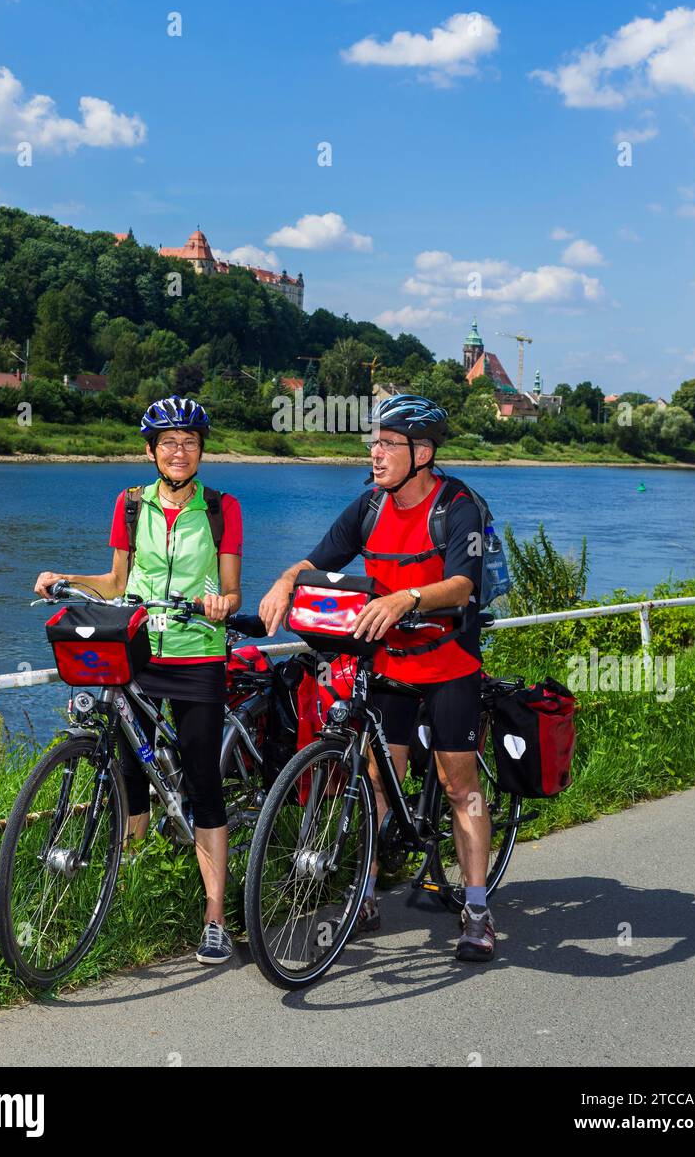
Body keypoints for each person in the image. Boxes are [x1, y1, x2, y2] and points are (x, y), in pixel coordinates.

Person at [259, 393, 495, 963]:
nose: (376, 454)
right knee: (375, 779)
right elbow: (318, 563)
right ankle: (364, 894)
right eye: (374, 444)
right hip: (388, 664)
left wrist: (406, 597)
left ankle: (479, 909)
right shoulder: (369, 506)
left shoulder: (459, 506)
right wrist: (284, 584)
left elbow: (463, 584)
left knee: (459, 784)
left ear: (422, 451)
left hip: (449, 667)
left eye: (388, 444)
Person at [34, 395, 243, 966]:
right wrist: (63, 578)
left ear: (201, 450)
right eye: (169, 443)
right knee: (128, 766)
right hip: (138, 648)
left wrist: (221, 604)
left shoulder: (222, 508)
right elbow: (116, 579)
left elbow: (232, 590)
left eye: (190, 442)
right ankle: (128, 885)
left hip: (198, 652)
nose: (180, 452)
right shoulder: (129, 506)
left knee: (202, 779)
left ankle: (216, 917)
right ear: (150, 451)